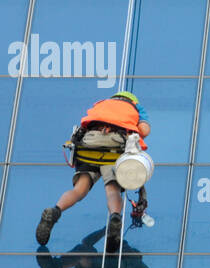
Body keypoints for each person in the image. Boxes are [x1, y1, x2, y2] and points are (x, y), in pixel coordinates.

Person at [36, 91, 150, 250]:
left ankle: (55, 211)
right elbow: (144, 130)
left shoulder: (101, 103)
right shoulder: (136, 107)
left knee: (79, 189)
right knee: (112, 191)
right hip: (113, 149)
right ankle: (115, 218)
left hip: (88, 146)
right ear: (132, 101)